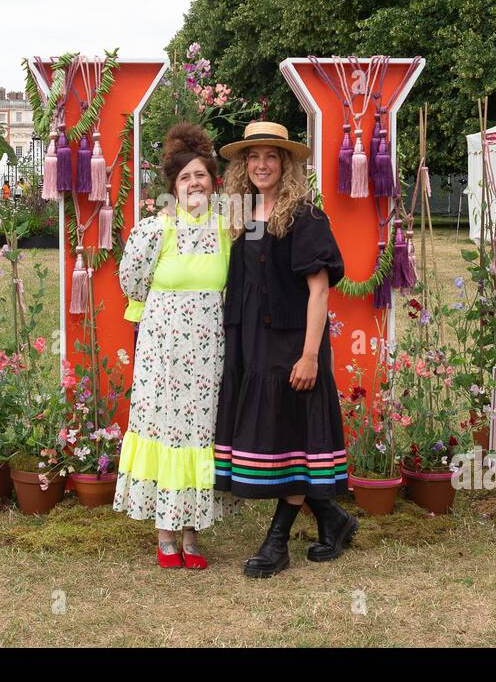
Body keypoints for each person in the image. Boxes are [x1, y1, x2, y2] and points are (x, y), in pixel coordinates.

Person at [214, 121, 356, 578]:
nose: (261, 164)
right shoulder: (243, 215)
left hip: (293, 344)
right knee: (279, 438)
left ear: (286, 163)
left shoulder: (305, 216)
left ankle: (277, 544)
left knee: (294, 440)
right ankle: (334, 520)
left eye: (271, 156)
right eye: (252, 157)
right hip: (251, 345)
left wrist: (311, 354)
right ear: (243, 164)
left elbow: (319, 292)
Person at [115, 123, 233, 569]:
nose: (194, 183)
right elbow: (131, 280)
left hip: (208, 355)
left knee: (199, 436)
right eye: (185, 178)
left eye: (201, 175)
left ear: (213, 181)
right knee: (166, 433)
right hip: (162, 353)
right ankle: (165, 535)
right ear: (173, 187)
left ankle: (192, 534)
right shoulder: (154, 229)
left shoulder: (226, 229)